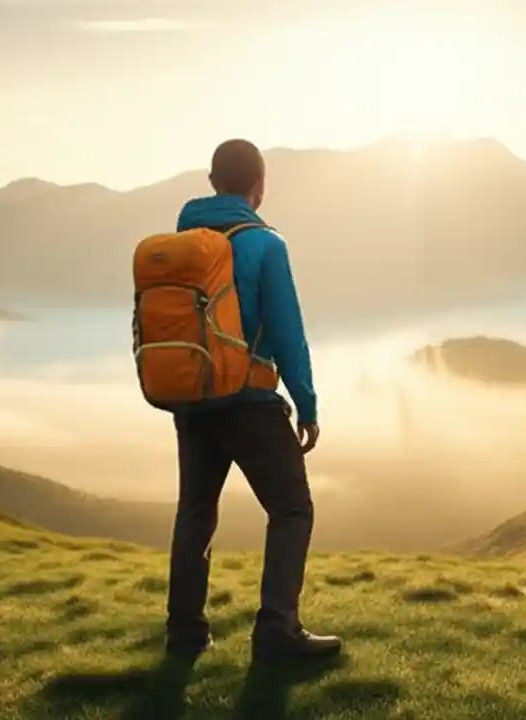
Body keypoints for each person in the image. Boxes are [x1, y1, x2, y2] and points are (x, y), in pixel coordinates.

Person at [164, 139, 340, 661]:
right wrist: (306, 405)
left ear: (212, 179)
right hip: (250, 400)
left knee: (195, 513)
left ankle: (184, 634)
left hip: (193, 398)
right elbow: (287, 333)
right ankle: (277, 631)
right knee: (291, 510)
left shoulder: (182, 241)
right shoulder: (265, 244)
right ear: (259, 188)